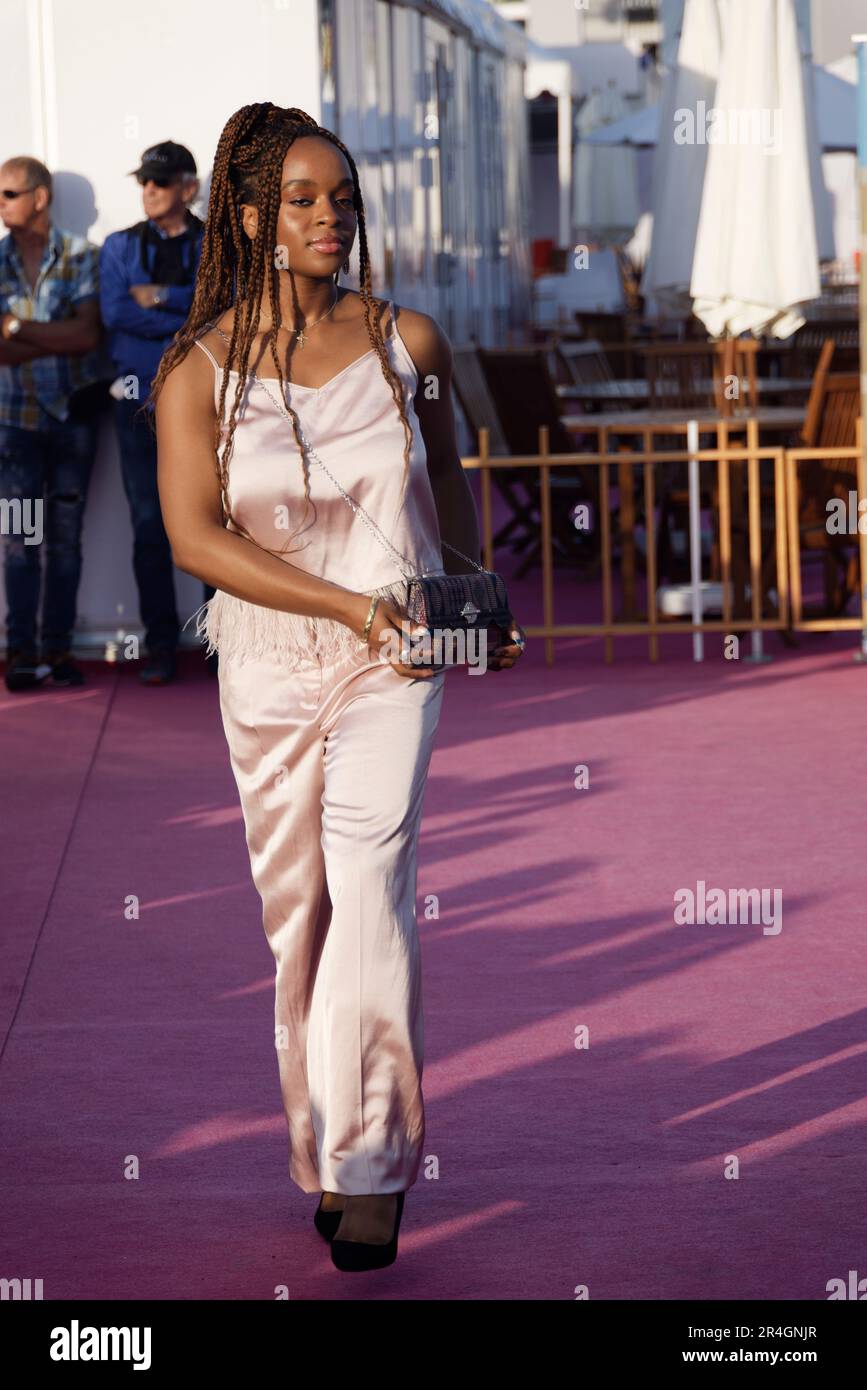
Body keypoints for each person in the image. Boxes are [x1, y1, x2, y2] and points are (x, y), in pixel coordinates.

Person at [152, 103, 525, 1273]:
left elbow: (447, 474)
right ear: (251, 213)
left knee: (371, 881)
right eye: (303, 199)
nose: (330, 217)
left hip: (394, 657)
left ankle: (370, 1170)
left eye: (344, 196)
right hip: (265, 664)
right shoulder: (197, 370)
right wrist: (341, 604)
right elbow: (194, 538)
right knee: (300, 916)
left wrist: (471, 595)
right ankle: (321, 1140)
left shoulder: (407, 341)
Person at [0, 156, 106, 692]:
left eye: (9, 194)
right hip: (13, 426)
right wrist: (54, 333)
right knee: (21, 538)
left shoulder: (84, 256)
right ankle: (21, 653)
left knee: (64, 540)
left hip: (72, 419)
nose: (1, 205)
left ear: (39, 198)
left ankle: (58, 651)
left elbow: (88, 337)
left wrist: (17, 328)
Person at [100, 142, 205, 685]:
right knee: (148, 527)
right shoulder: (118, 247)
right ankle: (161, 643)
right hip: (137, 405)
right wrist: (182, 309)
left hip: (207, 407)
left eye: (159, 183)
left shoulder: (218, 245)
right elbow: (115, 312)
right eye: (143, 182)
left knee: (218, 521)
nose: (148, 191)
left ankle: (222, 645)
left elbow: (220, 308)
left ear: (188, 188)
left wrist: (158, 296)